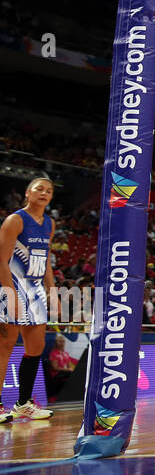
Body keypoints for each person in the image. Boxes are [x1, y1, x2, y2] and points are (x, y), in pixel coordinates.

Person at [0, 177, 56, 423]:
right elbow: (1, 261)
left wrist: (52, 290)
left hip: (36, 289)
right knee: (4, 347)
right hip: (12, 286)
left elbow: (46, 259)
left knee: (36, 348)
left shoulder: (49, 224)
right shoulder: (15, 220)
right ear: (28, 193)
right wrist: (10, 294)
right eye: (39, 189)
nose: (44, 193)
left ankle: (23, 404)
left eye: (49, 191)